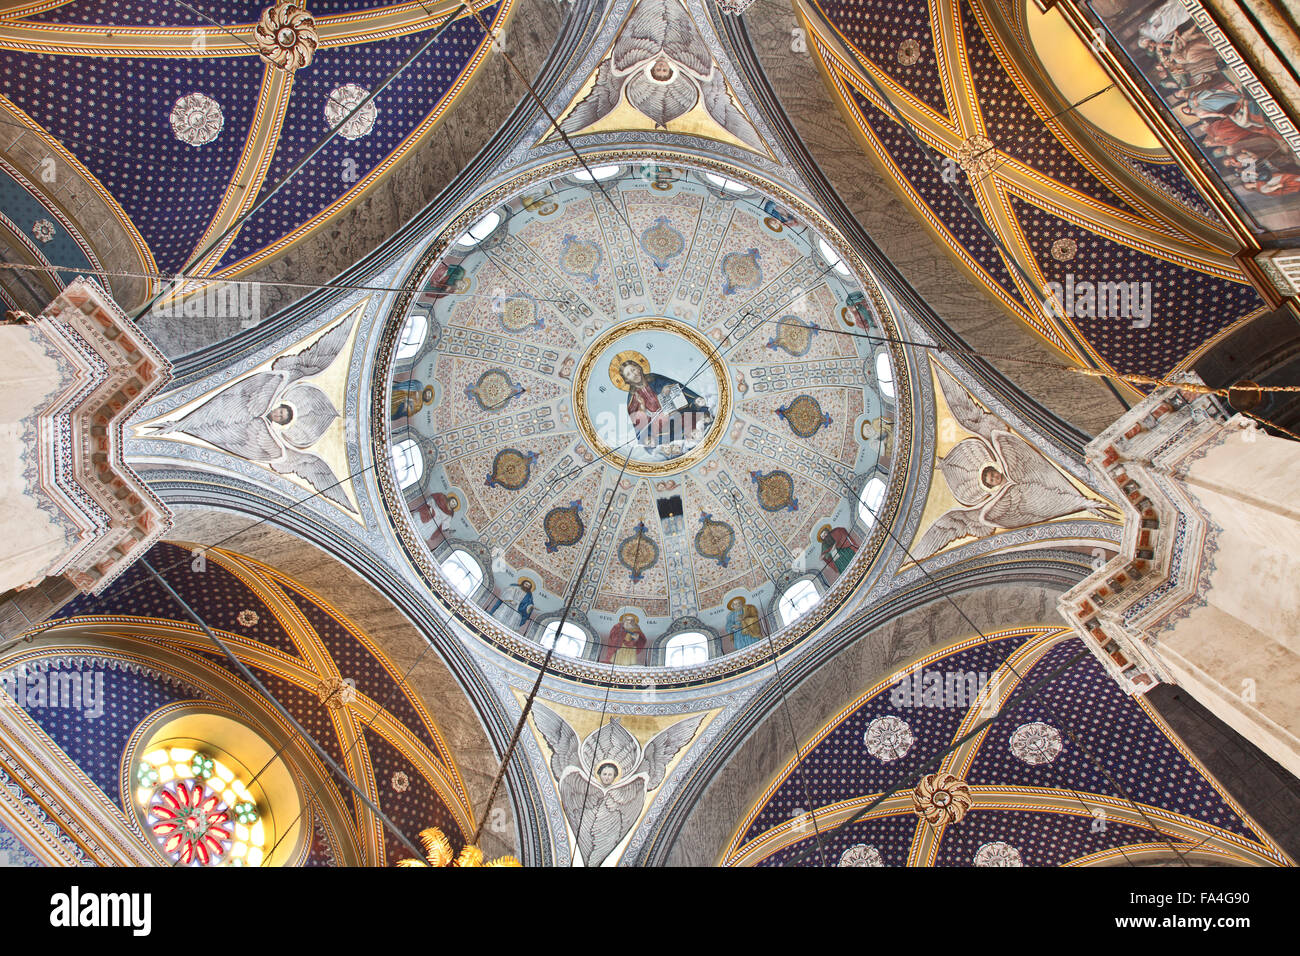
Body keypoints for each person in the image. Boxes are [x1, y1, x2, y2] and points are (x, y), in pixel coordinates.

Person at [613, 351, 713, 458]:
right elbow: (638, 421)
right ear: (627, 380)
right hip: (658, 423)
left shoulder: (654, 378)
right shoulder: (632, 397)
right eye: (628, 374)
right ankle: (676, 443)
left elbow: (673, 386)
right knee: (660, 432)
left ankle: (693, 430)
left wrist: (667, 388)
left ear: (639, 368)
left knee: (682, 417)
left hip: (675, 411)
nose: (633, 374)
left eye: (633, 369)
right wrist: (642, 407)